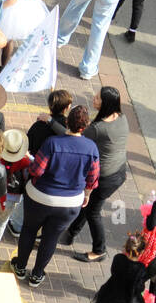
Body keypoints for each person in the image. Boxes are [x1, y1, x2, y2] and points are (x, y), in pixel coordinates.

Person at [10, 104, 99, 289]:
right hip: (70, 203)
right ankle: (37, 275)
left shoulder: (53, 143)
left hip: (40, 196)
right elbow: (92, 179)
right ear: (85, 126)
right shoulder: (92, 148)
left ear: (67, 122)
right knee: (51, 238)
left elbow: (36, 170)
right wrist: (87, 195)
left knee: (28, 230)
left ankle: (20, 267)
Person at [64, 86, 128, 263]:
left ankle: (99, 250)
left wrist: (52, 122)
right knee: (89, 204)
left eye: (98, 98)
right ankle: (71, 233)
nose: (94, 98)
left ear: (106, 104)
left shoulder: (98, 128)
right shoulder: (122, 118)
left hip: (106, 178)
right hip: (119, 171)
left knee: (93, 211)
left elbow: (73, 137)